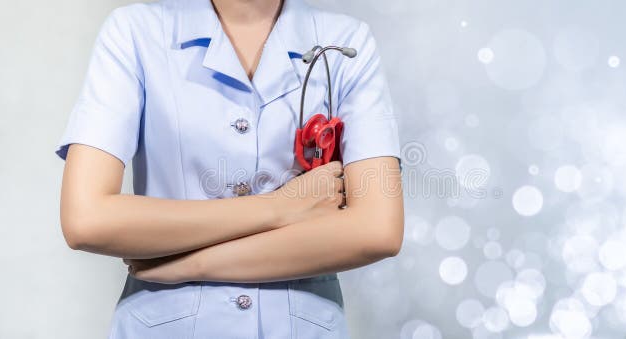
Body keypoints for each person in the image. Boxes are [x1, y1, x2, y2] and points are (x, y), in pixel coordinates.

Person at [54, 0, 403, 337]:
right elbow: (88, 219)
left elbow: (377, 230)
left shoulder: (347, 42)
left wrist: (194, 266)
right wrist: (280, 207)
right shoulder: (135, 32)